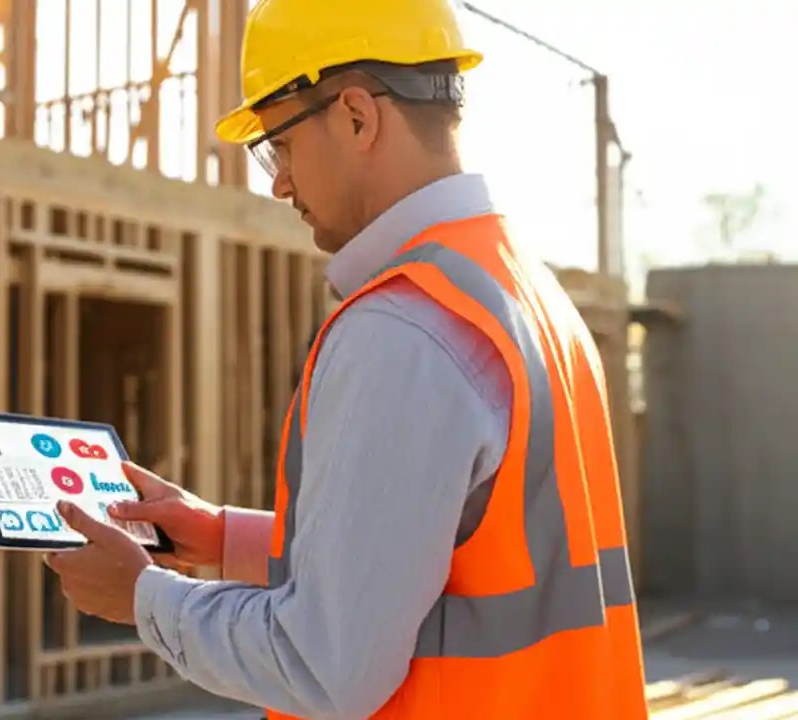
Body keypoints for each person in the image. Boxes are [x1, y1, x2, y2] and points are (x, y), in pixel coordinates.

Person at [43, 0, 649, 717]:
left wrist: (145, 599)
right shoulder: (520, 290)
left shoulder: (402, 329)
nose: (278, 182)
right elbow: (443, 559)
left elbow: (323, 665)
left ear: (357, 115)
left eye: (279, 146)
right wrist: (223, 536)